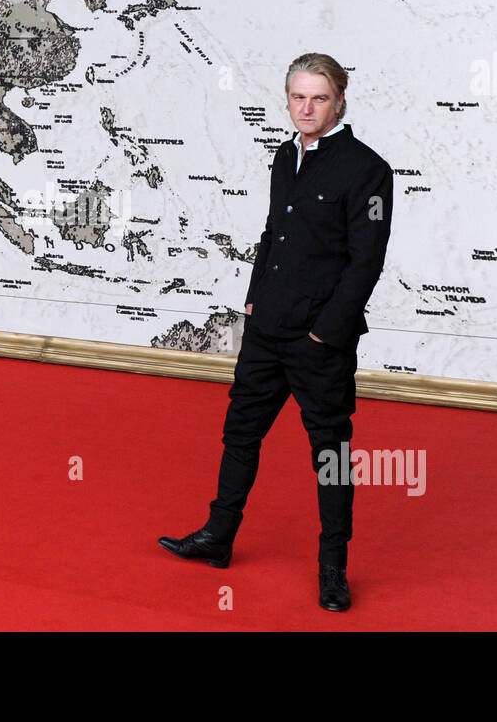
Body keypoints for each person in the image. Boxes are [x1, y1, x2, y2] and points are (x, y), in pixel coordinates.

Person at [158, 52, 393, 612]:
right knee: (240, 434)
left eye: (318, 98)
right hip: (266, 330)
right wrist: (254, 296)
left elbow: (367, 263)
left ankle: (332, 570)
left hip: (320, 342)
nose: (305, 108)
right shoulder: (283, 159)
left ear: (340, 101)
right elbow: (273, 232)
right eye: (297, 97)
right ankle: (218, 538)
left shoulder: (368, 170)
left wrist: (324, 335)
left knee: (331, 454)